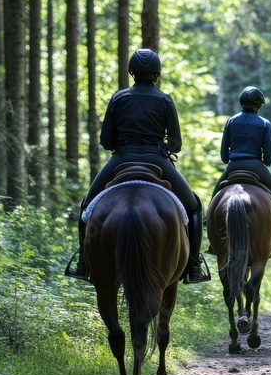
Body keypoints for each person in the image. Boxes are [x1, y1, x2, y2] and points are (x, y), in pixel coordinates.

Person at [66, 48, 211, 283]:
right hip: (158, 161)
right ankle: (194, 264)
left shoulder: (118, 97)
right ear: (157, 73)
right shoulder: (165, 100)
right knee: (193, 207)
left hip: (120, 160)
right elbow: (176, 143)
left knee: (87, 207)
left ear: (131, 72)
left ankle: (83, 261)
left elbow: (106, 141)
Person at [212, 86, 271, 256]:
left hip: (233, 167)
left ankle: (210, 232)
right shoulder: (264, 124)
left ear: (242, 103)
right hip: (256, 167)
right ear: (258, 106)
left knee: (214, 200)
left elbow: (224, 156)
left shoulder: (231, 121)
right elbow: (268, 157)